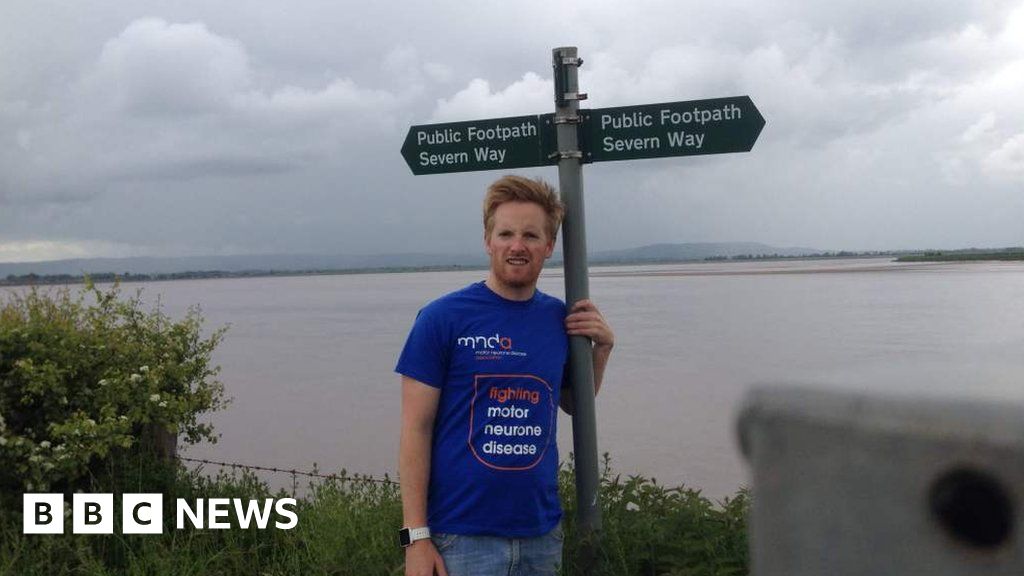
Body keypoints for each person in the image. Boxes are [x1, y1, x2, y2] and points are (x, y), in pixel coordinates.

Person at [396, 175, 614, 576]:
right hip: (460, 539)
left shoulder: (559, 319)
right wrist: (416, 537)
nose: (518, 245)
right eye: (506, 233)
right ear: (488, 240)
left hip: (541, 535)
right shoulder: (442, 318)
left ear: (548, 246)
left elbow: (570, 403)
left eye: (531, 235)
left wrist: (600, 351)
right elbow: (415, 429)